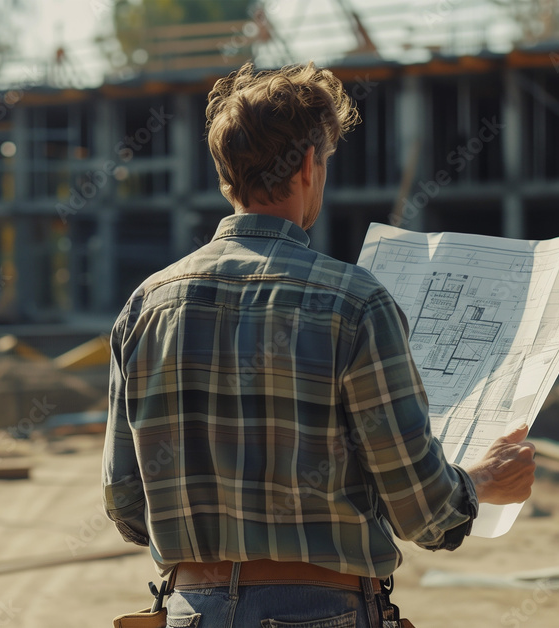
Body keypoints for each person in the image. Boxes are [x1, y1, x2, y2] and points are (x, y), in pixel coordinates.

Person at [102, 62, 536, 628]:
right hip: (322, 611)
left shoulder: (144, 308)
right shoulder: (355, 304)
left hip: (189, 613)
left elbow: (127, 506)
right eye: (325, 162)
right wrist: (480, 480)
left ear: (225, 173)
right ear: (308, 165)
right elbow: (425, 513)